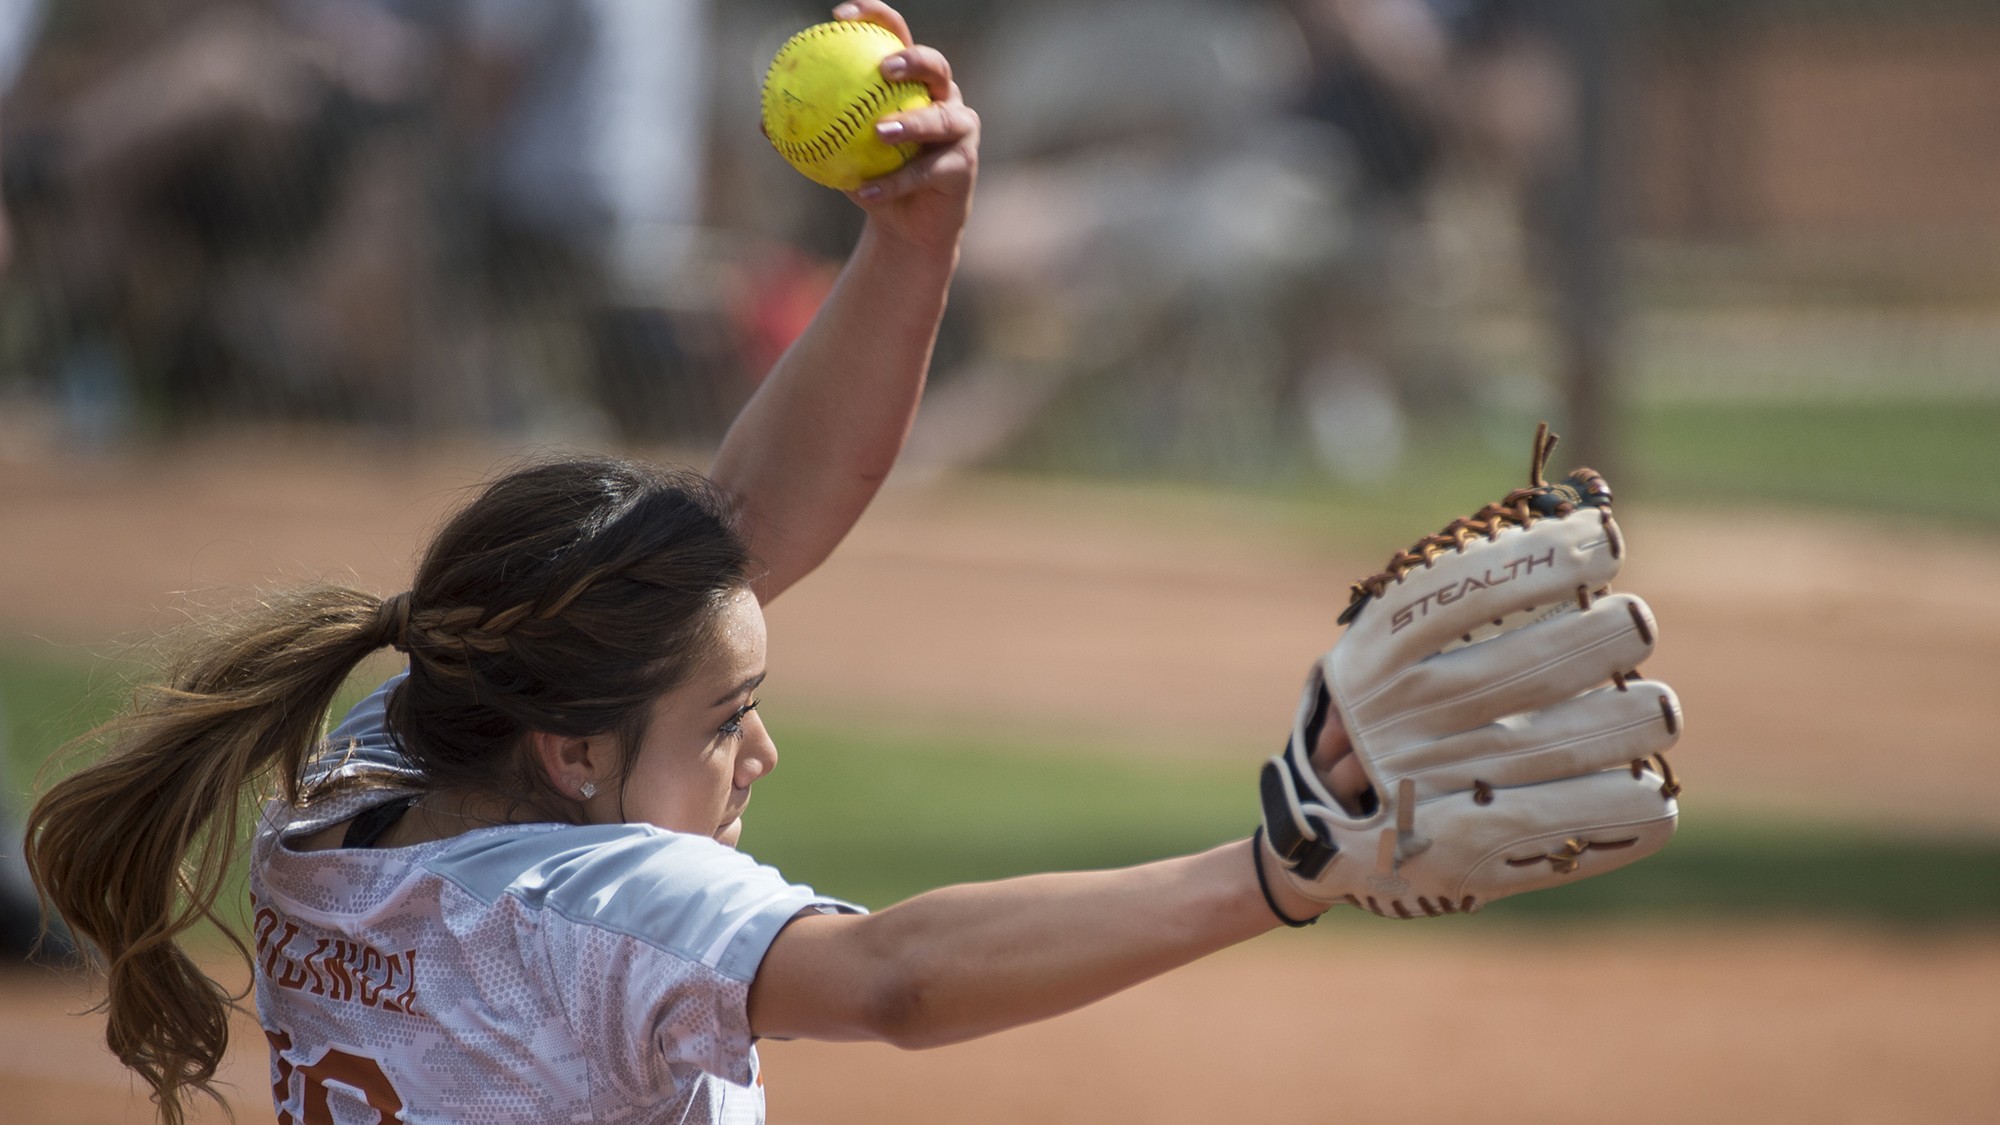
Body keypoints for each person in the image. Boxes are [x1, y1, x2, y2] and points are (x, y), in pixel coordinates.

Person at [23, 5, 1362, 1123]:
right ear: (572, 751)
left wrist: (909, 248)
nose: (760, 752)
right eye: (725, 718)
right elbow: (895, 977)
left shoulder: (363, 779)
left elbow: (722, 540)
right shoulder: (588, 905)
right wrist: (1271, 867)